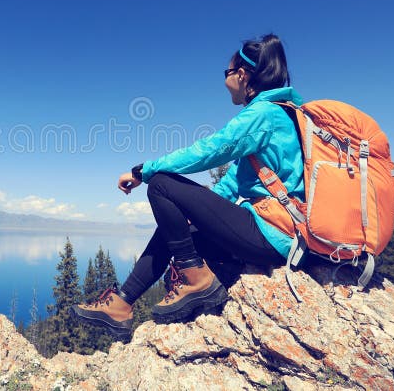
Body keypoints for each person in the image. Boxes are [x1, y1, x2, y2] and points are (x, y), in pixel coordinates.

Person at [72, 33, 305, 337]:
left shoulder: (262, 114)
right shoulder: (278, 115)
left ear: (242, 75)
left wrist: (145, 171)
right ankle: (122, 303)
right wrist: (192, 212)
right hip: (273, 232)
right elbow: (232, 185)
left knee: (162, 185)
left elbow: (210, 150)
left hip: (273, 234)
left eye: (227, 73)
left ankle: (196, 280)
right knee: (181, 225)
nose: (225, 81)